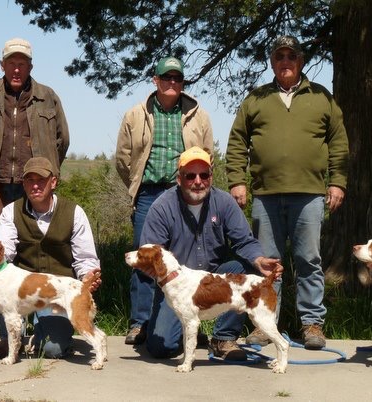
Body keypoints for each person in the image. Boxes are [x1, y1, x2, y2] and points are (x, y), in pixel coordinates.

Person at [225, 35, 349, 350]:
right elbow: (238, 140)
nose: (285, 62)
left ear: (301, 61)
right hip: (265, 195)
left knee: (309, 259)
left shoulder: (321, 98)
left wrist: (337, 182)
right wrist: (237, 180)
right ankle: (265, 325)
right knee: (266, 264)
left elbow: (338, 142)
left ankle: (312, 324)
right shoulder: (257, 99)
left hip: (309, 194)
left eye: (291, 57)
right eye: (279, 56)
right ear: (272, 62)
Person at [0, 37, 70, 345]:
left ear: (30, 66)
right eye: (12, 63)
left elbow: (62, 141)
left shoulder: (48, 97)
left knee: (33, 246)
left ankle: (38, 312)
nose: (17, 68)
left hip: (32, 186)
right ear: (2, 65)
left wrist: (44, 177)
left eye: (22, 63)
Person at [140, 147, 282, 360]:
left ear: (210, 177)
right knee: (163, 347)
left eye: (204, 175)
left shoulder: (224, 202)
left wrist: (260, 259)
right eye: (190, 176)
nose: (198, 181)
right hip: (178, 285)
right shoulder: (162, 206)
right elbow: (149, 257)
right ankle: (188, 330)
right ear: (179, 179)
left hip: (215, 278)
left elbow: (244, 241)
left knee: (247, 265)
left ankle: (223, 338)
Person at [0, 156, 102, 359]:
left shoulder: (74, 213)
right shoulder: (11, 212)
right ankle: (10, 339)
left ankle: (39, 334)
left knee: (52, 350)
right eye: (30, 180)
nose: (35, 185)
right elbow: (4, 251)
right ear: (23, 184)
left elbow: (86, 257)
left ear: (53, 182)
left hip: (56, 290)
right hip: (20, 289)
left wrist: (89, 275)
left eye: (41, 180)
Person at [115, 56, 213, 345]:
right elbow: (123, 158)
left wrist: (193, 186)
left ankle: (188, 321)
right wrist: (136, 184)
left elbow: (207, 154)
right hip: (148, 193)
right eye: (166, 77)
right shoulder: (136, 114)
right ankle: (140, 323)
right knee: (145, 260)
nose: (172, 82)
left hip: (184, 194)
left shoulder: (198, 115)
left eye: (177, 78)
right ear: (155, 80)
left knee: (185, 258)